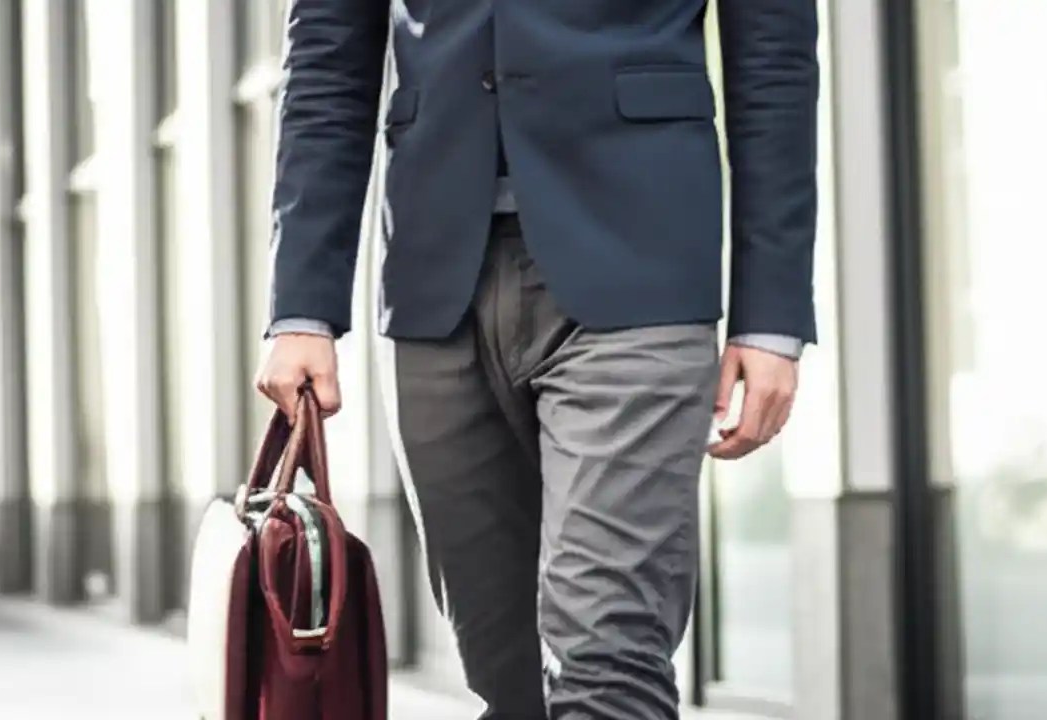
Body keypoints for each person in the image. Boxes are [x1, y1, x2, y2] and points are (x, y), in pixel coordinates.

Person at [256, 0, 819, 717]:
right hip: (436, 277)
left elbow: (773, 60)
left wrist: (770, 315)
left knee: (609, 657)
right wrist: (303, 305)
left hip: (639, 263)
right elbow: (327, 59)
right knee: (504, 672)